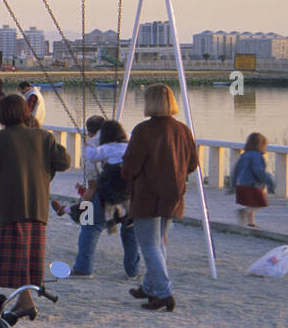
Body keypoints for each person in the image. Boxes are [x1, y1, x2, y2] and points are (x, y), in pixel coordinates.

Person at [0, 94, 70, 289]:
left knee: (15, 262)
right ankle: (24, 301)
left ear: (1, 114)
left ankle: (25, 302)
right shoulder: (44, 137)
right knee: (30, 261)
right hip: (38, 207)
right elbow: (64, 162)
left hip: (9, 207)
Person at [120, 84, 198, 311]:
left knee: (149, 245)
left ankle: (164, 292)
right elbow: (193, 163)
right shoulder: (183, 129)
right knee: (160, 243)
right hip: (173, 195)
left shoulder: (144, 130)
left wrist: (126, 176)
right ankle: (150, 287)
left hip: (147, 196)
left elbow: (130, 167)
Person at [59, 116, 140, 279]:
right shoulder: (130, 140)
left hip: (104, 196)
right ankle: (133, 271)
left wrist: (83, 205)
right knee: (130, 231)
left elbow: (93, 185)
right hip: (130, 195)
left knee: (89, 228)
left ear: (90, 132)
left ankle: (83, 268)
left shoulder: (94, 145)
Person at [232, 132, 275, 228]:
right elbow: (258, 170)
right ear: (261, 145)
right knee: (260, 203)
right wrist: (268, 181)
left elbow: (236, 170)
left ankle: (251, 223)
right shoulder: (257, 156)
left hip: (241, 184)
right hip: (252, 184)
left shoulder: (244, 155)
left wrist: (232, 185)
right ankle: (243, 212)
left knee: (251, 203)